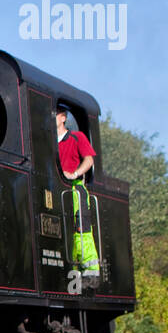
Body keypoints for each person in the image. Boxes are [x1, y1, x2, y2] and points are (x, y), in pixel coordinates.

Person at [55, 105, 100, 280]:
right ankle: (71, 270)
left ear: (63, 117)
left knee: (81, 230)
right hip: (58, 189)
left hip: (74, 188)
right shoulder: (49, 142)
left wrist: (74, 173)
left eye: (56, 114)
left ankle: (91, 272)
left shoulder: (76, 137)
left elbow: (89, 160)